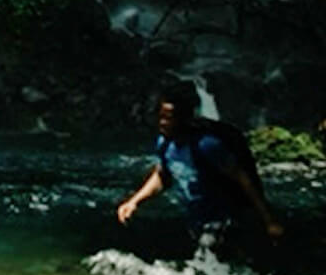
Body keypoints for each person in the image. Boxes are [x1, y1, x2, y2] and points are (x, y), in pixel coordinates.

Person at [115, 82, 283, 257]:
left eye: (169, 118)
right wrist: (134, 202)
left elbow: (244, 179)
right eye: (161, 116)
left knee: (207, 260)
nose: (163, 123)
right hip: (198, 219)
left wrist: (269, 220)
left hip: (225, 220)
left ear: (184, 119)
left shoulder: (207, 146)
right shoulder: (164, 143)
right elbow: (162, 175)